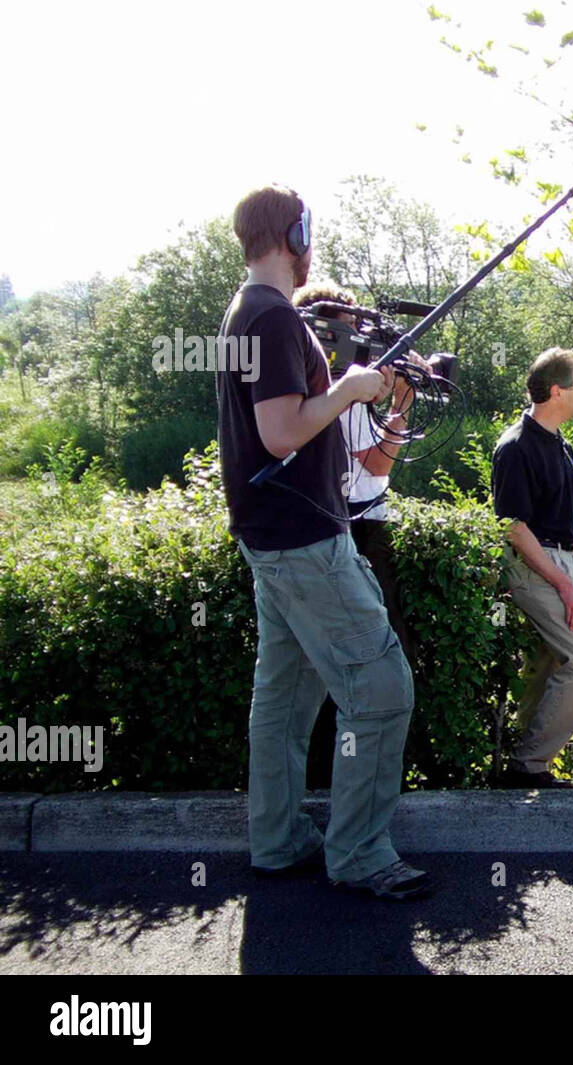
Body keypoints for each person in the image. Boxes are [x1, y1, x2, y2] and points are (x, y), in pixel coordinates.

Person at [216, 184, 430, 899]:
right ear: (294, 234)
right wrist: (353, 388)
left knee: (286, 693)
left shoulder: (245, 312)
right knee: (381, 687)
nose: (313, 250)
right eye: (310, 233)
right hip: (304, 537)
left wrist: (342, 388)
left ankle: (278, 839)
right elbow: (281, 431)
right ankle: (361, 853)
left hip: (270, 534)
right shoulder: (273, 317)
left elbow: (279, 421)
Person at [291, 283, 433, 789]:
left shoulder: (309, 385)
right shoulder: (340, 390)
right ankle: (355, 782)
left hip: (329, 527)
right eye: (352, 330)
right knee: (377, 659)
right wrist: (402, 405)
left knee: (311, 669)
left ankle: (325, 780)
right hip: (354, 528)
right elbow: (373, 468)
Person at [491, 348, 573, 789]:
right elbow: (515, 530)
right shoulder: (514, 446)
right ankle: (529, 764)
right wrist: (563, 585)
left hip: (560, 566)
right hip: (530, 564)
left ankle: (521, 763)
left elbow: (569, 526)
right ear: (556, 391)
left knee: (548, 663)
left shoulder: (562, 444)